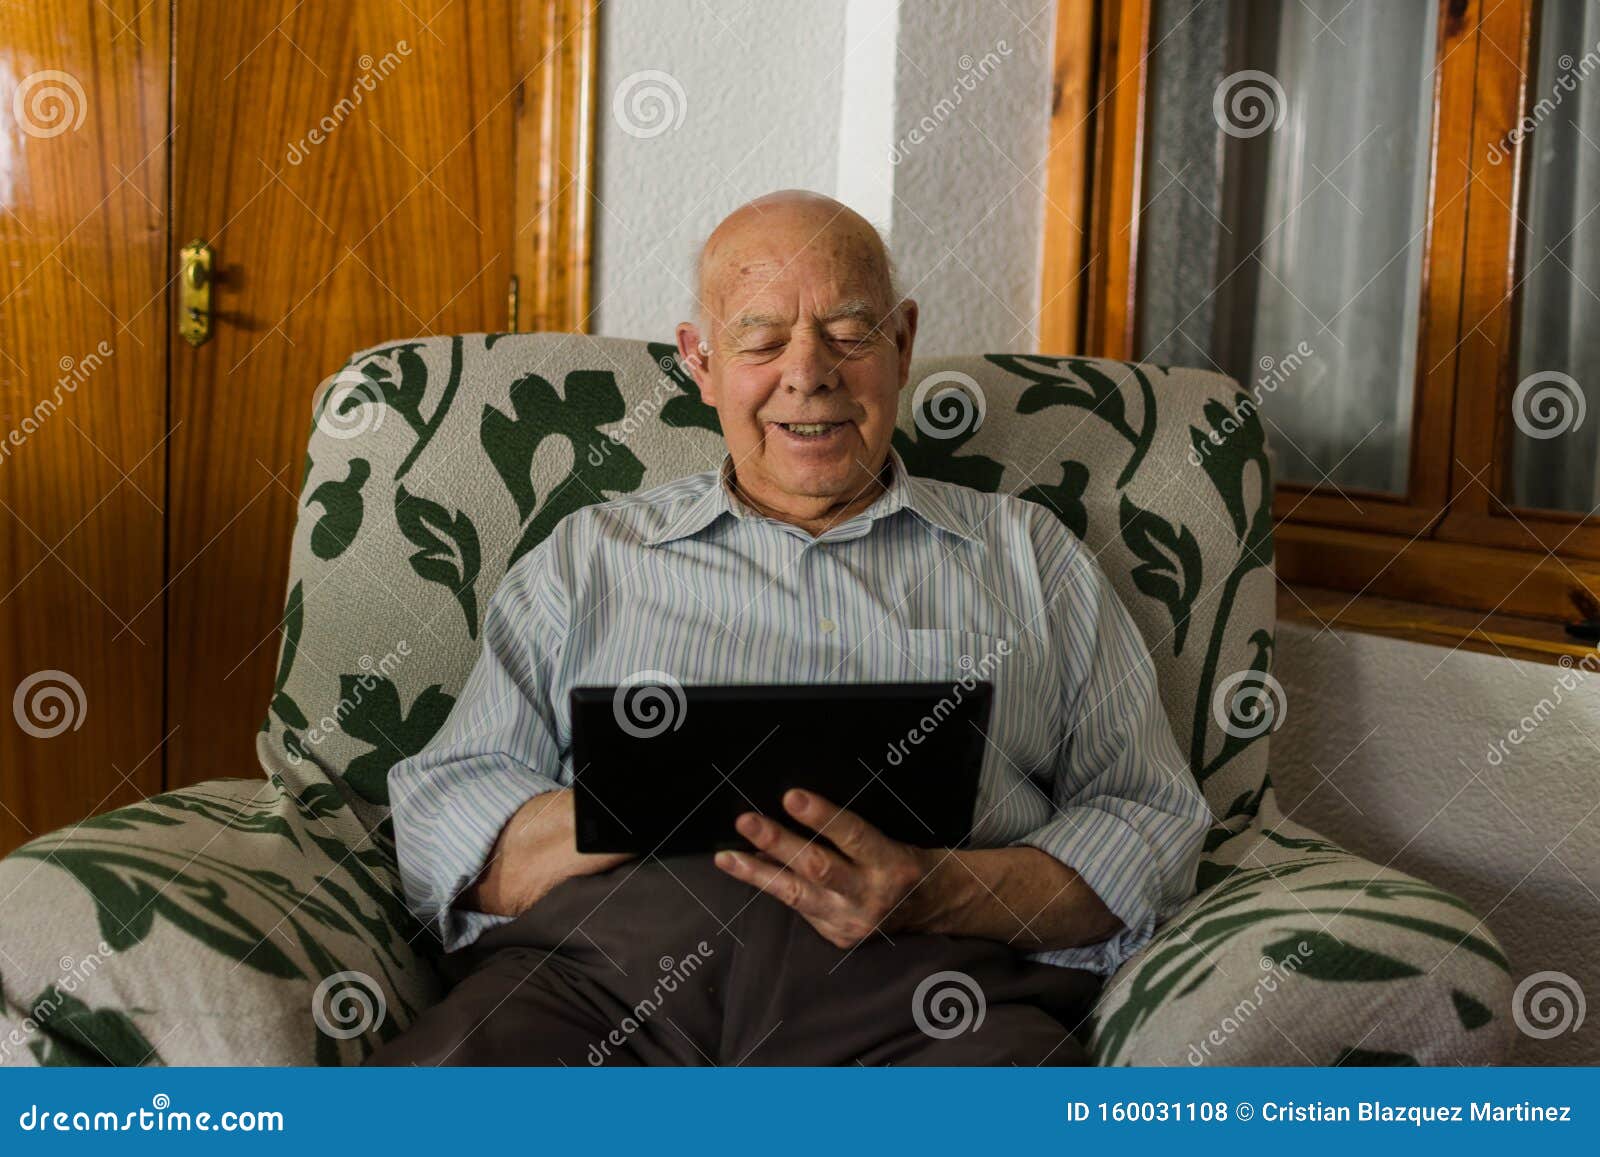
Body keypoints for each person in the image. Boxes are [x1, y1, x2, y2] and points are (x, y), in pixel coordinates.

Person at [366, 190, 1212, 1066]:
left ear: (904, 343)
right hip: (598, 980)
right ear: (700, 360)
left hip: (928, 997)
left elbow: (1150, 819)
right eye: (762, 339)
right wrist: (635, 800)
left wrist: (934, 890)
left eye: (849, 333)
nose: (809, 373)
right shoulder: (588, 557)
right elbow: (441, 824)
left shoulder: (1031, 556)